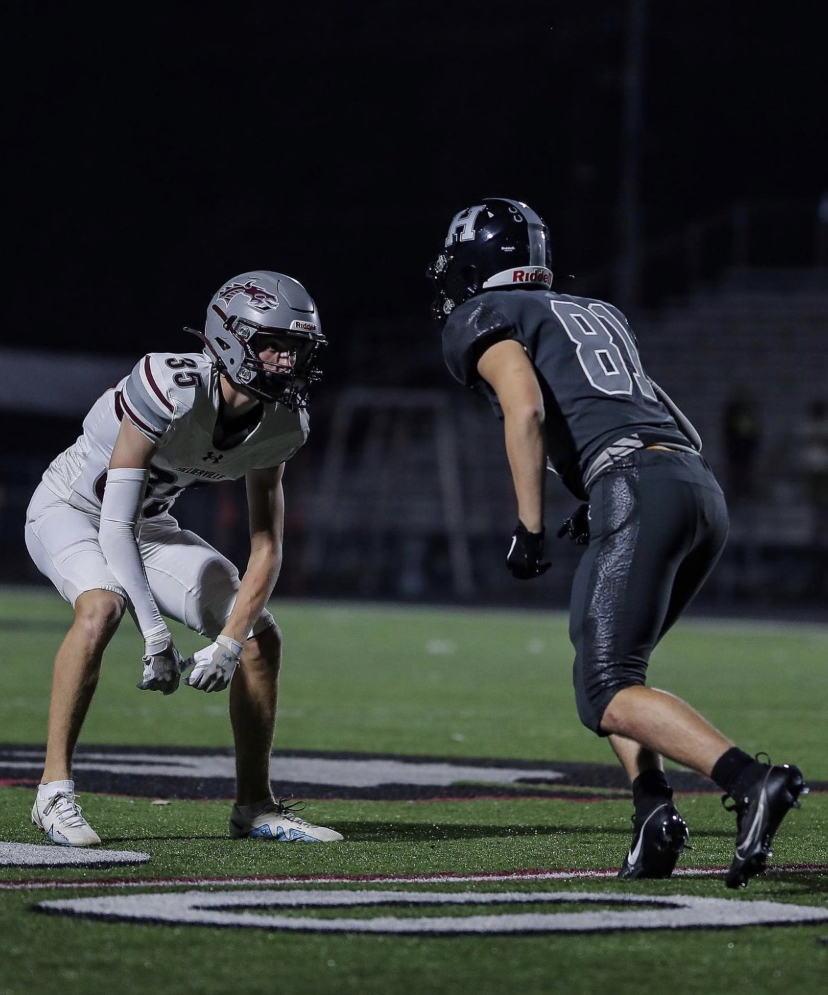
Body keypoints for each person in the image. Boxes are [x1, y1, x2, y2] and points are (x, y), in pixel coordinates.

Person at [427, 198, 807, 888]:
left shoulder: (482, 317)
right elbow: (678, 424)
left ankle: (753, 781)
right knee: (617, 672)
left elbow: (527, 407)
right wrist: (600, 493)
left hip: (635, 480)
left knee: (605, 688)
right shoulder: (595, 311)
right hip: (693, 485)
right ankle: (653, 815)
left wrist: (531, 524)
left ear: (479, 264)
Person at [24, 270, 343, 847]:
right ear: (228, 337)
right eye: (271, 343)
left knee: (259, 639)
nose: (284, 361)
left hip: (147, 527)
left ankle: (255, 807)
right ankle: (53, 794)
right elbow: (114, 522)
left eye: (295, 348)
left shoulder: (281, 423)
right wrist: (155, 635)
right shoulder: (168, 383)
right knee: (102, 609)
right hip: (72, 510)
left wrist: (228, 641)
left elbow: (267, 545)